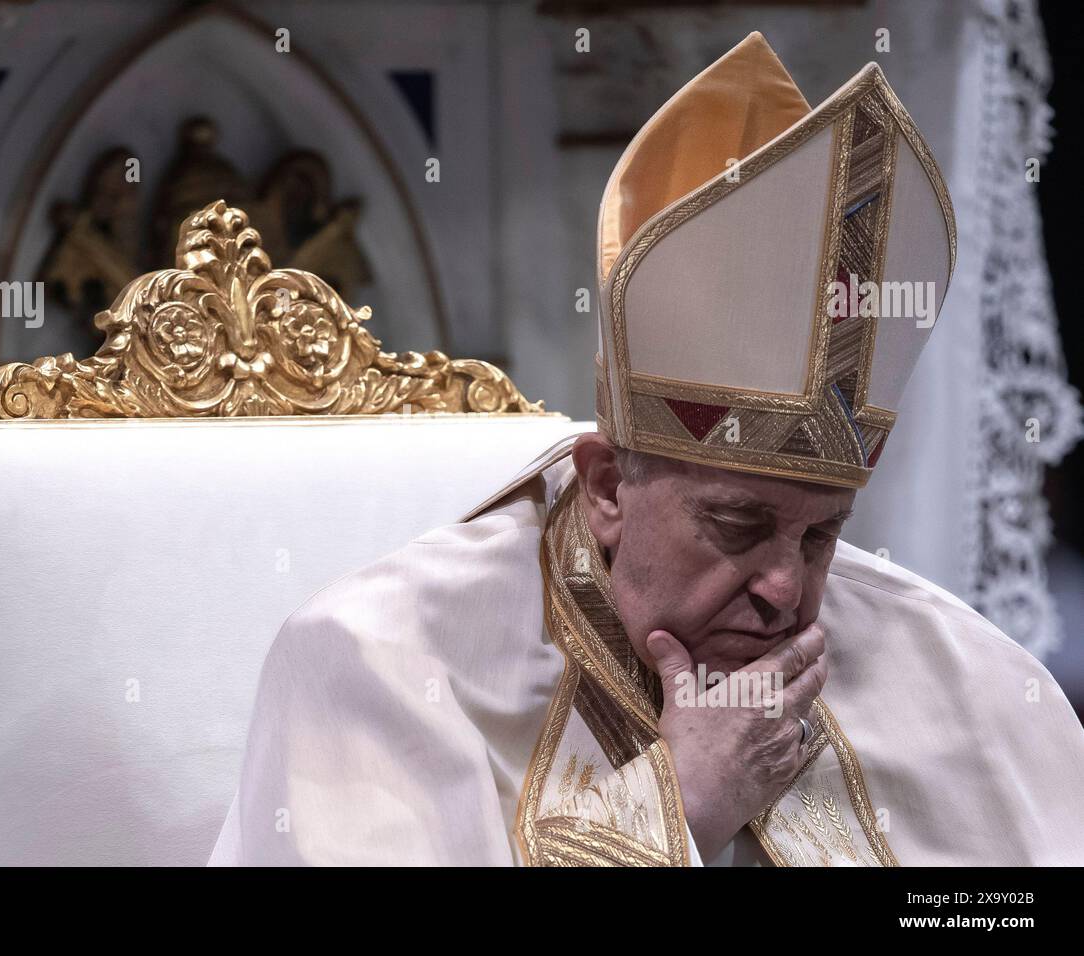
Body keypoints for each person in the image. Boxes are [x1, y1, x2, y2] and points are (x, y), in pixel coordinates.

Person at [210, 33, 1084, 866]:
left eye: (821, 534)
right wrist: (684, 810)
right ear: (605, 490)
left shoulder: (960, 676)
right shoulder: (381, 664)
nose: (788, 590)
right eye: (739, 523)